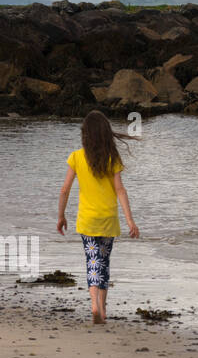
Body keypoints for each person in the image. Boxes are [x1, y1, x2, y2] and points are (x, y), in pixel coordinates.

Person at [56, 110, 139, 323]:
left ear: (85, 135)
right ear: (105, 134)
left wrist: (61, 216)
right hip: (108, 220)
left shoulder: (76, 157)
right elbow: (120, 190)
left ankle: (94, 305)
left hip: (87, 220)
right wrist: (130, 220)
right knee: (103, 262)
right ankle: (102, 308)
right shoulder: (112, 158)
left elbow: (64, 189)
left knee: (92, 262)